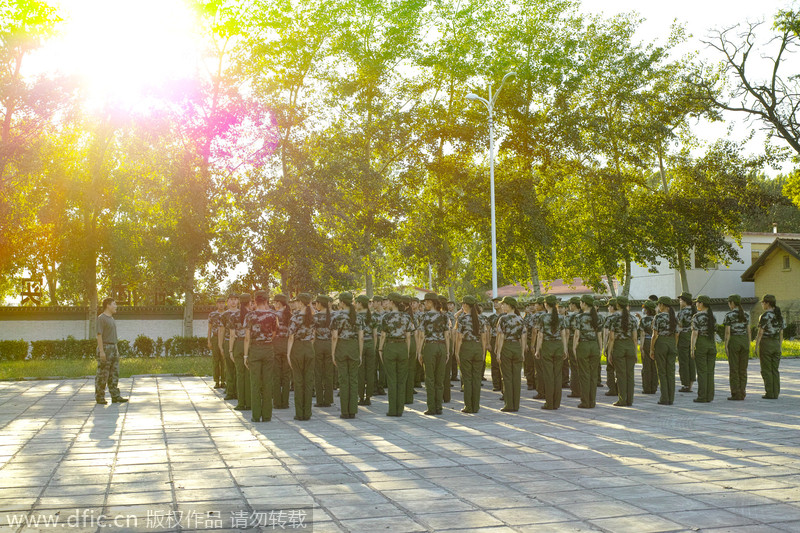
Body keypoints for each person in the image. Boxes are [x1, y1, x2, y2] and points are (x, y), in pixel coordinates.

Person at [244, 291, 278, 422]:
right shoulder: (272, 315)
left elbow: (247, 337)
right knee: (267, 382)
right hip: (268, 348)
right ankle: (267, 415)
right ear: (266, 301)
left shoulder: (250, 316)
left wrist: (245, 355)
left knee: (255, 383)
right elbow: (274, 332)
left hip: (255, 349)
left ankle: (256, 415)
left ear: (255, 301)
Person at [378, 292, 415, 416]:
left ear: (392, 302)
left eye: (388, 300)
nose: (386, 303)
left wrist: (380, 349)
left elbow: (383, 335)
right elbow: (409, 336)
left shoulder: (386, 317)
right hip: (403, 347)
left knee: (392, 379)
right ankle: (400, 409)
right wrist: (407, 351)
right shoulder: (407, 317)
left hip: (390, 346)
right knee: (401, 380)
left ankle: (392, 409)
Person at [331, 292, 363, 419]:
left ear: (342, 302)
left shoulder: (337, 316)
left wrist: (333, 353)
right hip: (354, 347)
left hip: (341, 347)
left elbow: (334, 337)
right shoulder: (358, 316)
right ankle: (353, 410)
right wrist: (360, 354)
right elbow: (361, 338)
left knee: (343, 380)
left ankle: (345, 411)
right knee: (353, 380)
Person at [417, 293, 450, 415]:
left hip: (430, 346)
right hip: (441, 346)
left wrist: (419, 351)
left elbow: (421, 335)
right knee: (440, 378)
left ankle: (431, 407)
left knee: (430, 378)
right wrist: (447, 351)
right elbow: (447, 334)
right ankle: (439, 407)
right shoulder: (445, 316)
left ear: (431, 302)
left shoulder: (425, 317)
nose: (424, 304)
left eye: (425, 302)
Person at [534, 295, 567, 410]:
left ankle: (549, 403)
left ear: (545, 304)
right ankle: (557, 403)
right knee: (558, 376)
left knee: (548, 376)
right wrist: (565, 349)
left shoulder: (543, 317)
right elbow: (564, 334)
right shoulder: (561, 317)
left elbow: (540, 335)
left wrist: (537, 349)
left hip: (547, 346)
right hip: (558, 345)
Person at [455, 296, 486, 414]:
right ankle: (476, 406)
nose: (462, 306)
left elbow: (459, 338)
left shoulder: (462, 319)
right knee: (476, 379)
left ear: (466, 305)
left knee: (467, 378)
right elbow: (484, 337)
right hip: (478, 348)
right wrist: (483, 352)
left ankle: (468, 406)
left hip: (466, 348)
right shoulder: (482, 319)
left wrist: (456, 352)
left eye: (463, 304)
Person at [287, 293, 316, 420]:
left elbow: (291, 336)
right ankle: (307, 412)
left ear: (300, 302)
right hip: (309, 348)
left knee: (298, 381)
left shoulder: (296, 317)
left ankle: (300, 413)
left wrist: (288, 353)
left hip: (297, 348)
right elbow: (314, 335)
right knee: (308, 381)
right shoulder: (313, 317)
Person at [607, 296, 639, 407]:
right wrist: (635, 352)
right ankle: (630, 400)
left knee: (620, 375)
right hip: (630, 346)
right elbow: (635, 338)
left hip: (618, 346)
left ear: (617, 305)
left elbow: (611, 338)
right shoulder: (633, 319)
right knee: (630, 375)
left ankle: (622, 399)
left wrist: (609, 352)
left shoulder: (613, 318)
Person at [95, 297, 127, 405]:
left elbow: (113, 336)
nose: (116, 306)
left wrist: (116, 349)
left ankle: (115, 396)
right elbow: (99, 335)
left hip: (113, 348)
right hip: (105, 347)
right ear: (108, 305)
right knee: (103, 374)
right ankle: (100, 397)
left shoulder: (112, 319)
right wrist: (101, 351)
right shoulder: (101, 318)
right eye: (114, 304)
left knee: (114, 373)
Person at [496, 296, 526, 412]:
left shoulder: (503, 319)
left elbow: (501, 336)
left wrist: (498, 352)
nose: (502, 306)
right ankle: (516, 405)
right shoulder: (520, 319)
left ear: (509, 305)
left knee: (507, 377)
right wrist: (522, 351)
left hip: (507, 347)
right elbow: (523, 337)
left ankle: (509, 404)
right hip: (517, 347)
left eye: (504, 304)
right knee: (516, 377)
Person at [573, 295, 601, 408]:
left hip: (583, 345)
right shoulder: (598, 317)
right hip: (594, 345)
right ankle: (592, 401)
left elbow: (576, 334)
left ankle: (585, 401)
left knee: (584, 375)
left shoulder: (579, 317)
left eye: (580, 302)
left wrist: (574, 347)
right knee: (593, 375)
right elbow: (599, 334)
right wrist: (600, 348)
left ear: (584, 303)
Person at [756, 294, 784, 399]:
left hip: (766, 344)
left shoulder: (764, 316)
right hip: (776, 344)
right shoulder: (779, 315)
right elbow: (781, 334)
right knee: (775, 370)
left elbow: (760, 333)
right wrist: (780, 346)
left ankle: (770, 393)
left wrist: (756, 346)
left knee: (766, 369)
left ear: (767, 303)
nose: (762, 305)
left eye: (763, 303)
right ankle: (776, 392)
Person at [723, 294, 750, 400]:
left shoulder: (729, 315)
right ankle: (742, 391)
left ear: (732, 303)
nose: (729, 305)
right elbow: (748, 331)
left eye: (729, 303)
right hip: (744, 341)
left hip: (734, 341)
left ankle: (736, 393)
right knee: (743, 369)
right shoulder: (746, 315)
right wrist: (748, 343)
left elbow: (727, 332)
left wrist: (726, 345)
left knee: (734, 368)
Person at [651, 296, 678, 405]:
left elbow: (654, 335)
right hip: (671, 343)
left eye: (658, 304)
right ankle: (671, 398)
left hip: (661, 343)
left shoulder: (658, 317)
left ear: (662, 305)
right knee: (671, 372)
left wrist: (651, 349)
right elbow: (677, 334)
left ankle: (664, 398)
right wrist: (674, 346)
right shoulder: (674, 317)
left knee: (662, 372)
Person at [691, 295, 717, 403]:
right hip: (711, 344)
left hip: (701, 343)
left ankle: (702, 396)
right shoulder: (713, 317)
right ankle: (709, 396)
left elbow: (695, 333)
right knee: (710, 372)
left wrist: (692, 348)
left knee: (702, 371)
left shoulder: (696, 317)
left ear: (701, 304)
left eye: (697, 302)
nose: (696, 304)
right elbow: (714, 333)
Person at [229, 294, 251, 411]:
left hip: (238, 345)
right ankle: (249, 402)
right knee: (249, 374)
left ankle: (241, 403)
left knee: (240, 374)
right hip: (250, 345)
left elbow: (232, 335)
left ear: (239, 302)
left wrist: (230, 350)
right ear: (250, 302)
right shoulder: (253, 315)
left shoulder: (234, 316)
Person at [313, 295, 335, 407]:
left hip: (318, 345)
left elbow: (313, 332)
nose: (316, 305)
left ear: (320, 304)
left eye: (316, 303)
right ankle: (328, 399)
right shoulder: (333, 315)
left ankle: (319, 400)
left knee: (318, 373)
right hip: (330, 344)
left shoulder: (316, 316)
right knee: (329, 373)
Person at [271, 294, 292, 410]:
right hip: (288, 345)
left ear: (278, 303)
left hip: (276, 344)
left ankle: (277, 402)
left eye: (275, 302)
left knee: (276, 374)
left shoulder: (274, 315)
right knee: (286, 375)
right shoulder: (291, 315)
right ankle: (285, 402)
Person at [356, 295, 377, 406]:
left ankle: (360, 397)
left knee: (360, 372)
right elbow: (375, 334)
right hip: (370, 344)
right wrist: (374, 347)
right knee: (370, 372)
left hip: (360, 344)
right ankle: (368, 397)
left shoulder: (356, 317)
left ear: (360, 304)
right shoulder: (372, 317)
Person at [677, 292, 696, 393]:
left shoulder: (682, 312)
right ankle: (691, 384)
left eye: (680, 300)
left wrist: (676, 340)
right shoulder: (695, 311)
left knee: (683, 361)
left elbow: (679, 327)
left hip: (684, 337)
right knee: (691, 361)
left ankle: (685, 385)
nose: (679, 302)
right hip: (694, 337)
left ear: (685, 301)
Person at [639, 300, 658, 394]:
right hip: (656, 342)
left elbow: (642, 334)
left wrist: (641, 346)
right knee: (654, 366)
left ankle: (647, 388)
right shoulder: (657, 318)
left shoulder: (643, 320)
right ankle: (654, 387)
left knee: (646, 366)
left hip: (646, 341)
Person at [221, 295, 238, 401]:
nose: (233, 302)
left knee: (239, 368)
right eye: (231, 300)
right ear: (227, 301)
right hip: (227, 341)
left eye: (235, 299)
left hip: (239, 342)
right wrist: (221, 345)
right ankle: (230, 391)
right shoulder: (224, 315)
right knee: (229, 367)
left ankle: (238, 390)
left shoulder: (242, 313)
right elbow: (221, 330)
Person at [402, 296, 418, 405]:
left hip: (405, 342)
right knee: (411, 370)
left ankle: (404, 396)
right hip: (412, 342)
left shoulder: (404, 316)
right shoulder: (413, 316)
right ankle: (409, 396)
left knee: (404, 370)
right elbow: (416, 332)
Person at [208, 297, 227, 390]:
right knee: (216, 360)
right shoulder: (212, 314)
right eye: (219, 303)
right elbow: (209, 328)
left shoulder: (227, 314)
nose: (221, 305)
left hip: (225, 338)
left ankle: (224, 381)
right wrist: (209, 340)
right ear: (216, 304)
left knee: (224, 360)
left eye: (223, 303)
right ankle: (216, 381)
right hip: (215, 338)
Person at [602, 299, 619, 397]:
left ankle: (612, 388)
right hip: (623, 344)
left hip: (611, 343)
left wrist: (605, 347)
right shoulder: (626, 317)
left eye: (609, 306)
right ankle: (620, 387)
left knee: (610, 367)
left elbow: (606, 334)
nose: (608, 308)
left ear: (613, 307)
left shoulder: (609, 318)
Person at [487, 297, 503, 392]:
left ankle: (504, 384)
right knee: (494, 363)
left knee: (503, 362)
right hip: (493, 340)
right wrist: (488, 343)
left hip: (504, 340)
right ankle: (496, 384)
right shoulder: (491, 317)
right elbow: (488, 330)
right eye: (494, 303)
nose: (495, 304)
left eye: (497, 302)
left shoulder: (506, 316)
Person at [566, 297, 581, 398]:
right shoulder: (586, 316)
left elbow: (567, 333)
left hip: (572, 342)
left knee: (574, 367)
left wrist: (565, 346)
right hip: (584, 342)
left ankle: (575, 390)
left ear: (574, 305)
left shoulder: (571, 317)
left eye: (570, 304)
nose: (569, 307)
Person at [373, 296, 387, 395]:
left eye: (374, 302)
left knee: (383, 365)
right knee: (373, 365)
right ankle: (374, 387)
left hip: (384, 340)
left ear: (379, 302)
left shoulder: (387, 315)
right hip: (374, 340)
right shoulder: (372, 315)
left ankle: (381, 387)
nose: (373, 304)